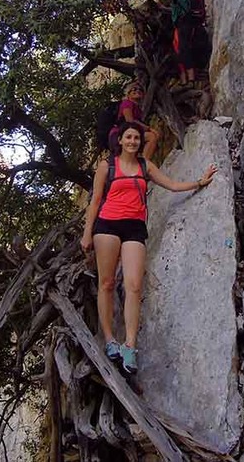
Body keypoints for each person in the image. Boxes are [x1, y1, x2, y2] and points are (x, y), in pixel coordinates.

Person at [80, 121, 217, 375]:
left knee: (133, 285)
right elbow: (96, 200)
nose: (133, 141)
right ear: (119, 140)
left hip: (134, 228)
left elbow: (172, 185)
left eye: (136, 138)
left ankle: (129, 345)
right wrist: (87, 233)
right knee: (107, 283)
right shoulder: (106, 166)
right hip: (106, 226)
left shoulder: (145, 166)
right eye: (128, 137)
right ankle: (110, 339)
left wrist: (199, 181)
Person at [107, 81, 159, 160]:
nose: (137, 90)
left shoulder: (138, 109)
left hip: (127, 133)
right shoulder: (127, 103)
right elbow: (130, 120)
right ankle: (143, 166)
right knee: (151, 137)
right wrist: (150, 129)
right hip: (119, 134)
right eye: (134, 89)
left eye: (140, 89)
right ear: (128, 94)